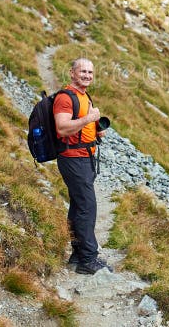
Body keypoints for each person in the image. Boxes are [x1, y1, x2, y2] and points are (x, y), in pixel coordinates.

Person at [53, 58, 107, 274]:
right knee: (87, 207)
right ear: (72, 73)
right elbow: (63, 128)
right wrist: (89, 118)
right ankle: (88, 260)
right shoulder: (65, 98)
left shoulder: (84, 96)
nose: (87, 75)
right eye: (82, 71)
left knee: (78, 206)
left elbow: (83, 123)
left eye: (90, 72)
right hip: (72, 158)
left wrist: (96, 128)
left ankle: (77, 254)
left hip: (85, 157)